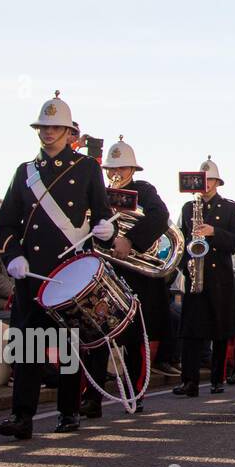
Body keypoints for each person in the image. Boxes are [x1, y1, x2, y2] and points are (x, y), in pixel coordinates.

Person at [0, 92, 117, 437]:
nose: (49, 134)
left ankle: (68, 411)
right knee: (28, 346)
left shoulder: (87, 168)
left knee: (66, 344)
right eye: (44, 128)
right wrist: (12, 255)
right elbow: (3, 226)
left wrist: (107, 229)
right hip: (30, 272)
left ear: (68, 132)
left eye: (56, 128)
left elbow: (103, 217)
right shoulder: (24, 172)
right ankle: (22, 416)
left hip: (68, 271)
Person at [83, 136, 172, 416]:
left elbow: (160, 216)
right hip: (105, 273)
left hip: (136, 276)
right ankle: (92, 398)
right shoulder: (98, 191)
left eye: (121, 169)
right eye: (112, 169)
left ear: (133, 170)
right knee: (99, 336)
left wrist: (130, 239)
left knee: (134, 340)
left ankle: (135, 393)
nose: (115, 174)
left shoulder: (144, 191)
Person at [173, 157, 235, 397]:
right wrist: (185, 265)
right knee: (191, 330)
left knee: (220, 330)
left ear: (217, 182)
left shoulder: (230, 208)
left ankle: (217, 378)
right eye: (203, 180)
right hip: (195, 274)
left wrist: (214, 232)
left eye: (210, 179)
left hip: (220, 275)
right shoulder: (188, 208)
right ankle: (189, 381)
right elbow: (180, 242)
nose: (207, 184)